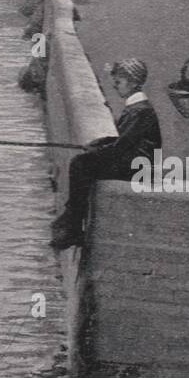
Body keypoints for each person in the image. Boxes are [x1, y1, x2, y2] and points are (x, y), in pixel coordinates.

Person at [50, 58, 162, 250]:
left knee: (81, 164)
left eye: (118, 82)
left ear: (133, 83)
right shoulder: (138, 108)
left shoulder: (140, 111)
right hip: (136, 162)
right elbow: (122, 139)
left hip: (137, 167)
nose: (114, 85)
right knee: (83, 162)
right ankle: (73, 220)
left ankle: (73, 223)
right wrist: (99, 143)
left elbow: (121, 146)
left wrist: (97, 151)